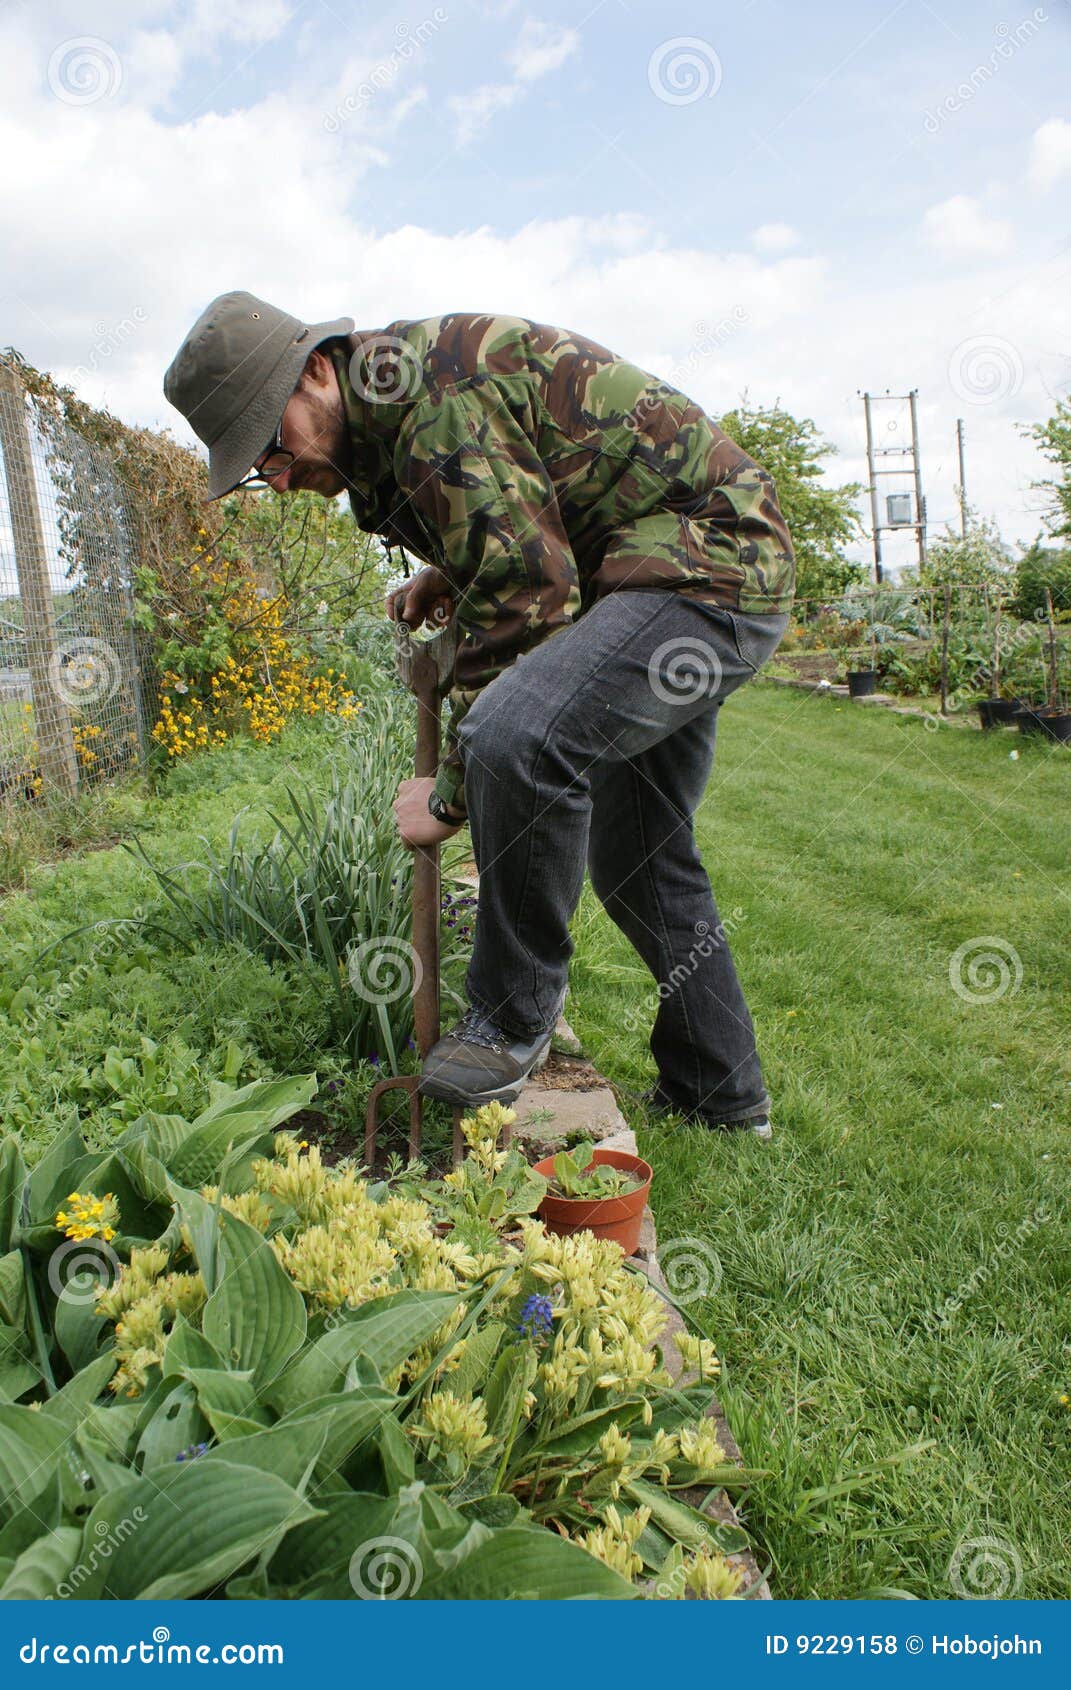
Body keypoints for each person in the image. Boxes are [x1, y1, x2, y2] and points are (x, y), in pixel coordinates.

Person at [163, 291, 795, 1136]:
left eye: (271, 443)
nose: (277, 478)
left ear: (316, 370)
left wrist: (449, 796)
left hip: (699, 574)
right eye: (254, 468)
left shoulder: (427, 400)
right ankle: (721, 1095)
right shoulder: (393, 405)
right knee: (639, 854)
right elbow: (516, 527)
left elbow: (530, 594)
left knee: (510, 737)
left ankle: (508, 1020)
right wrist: (450, 569)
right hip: (671, 575)